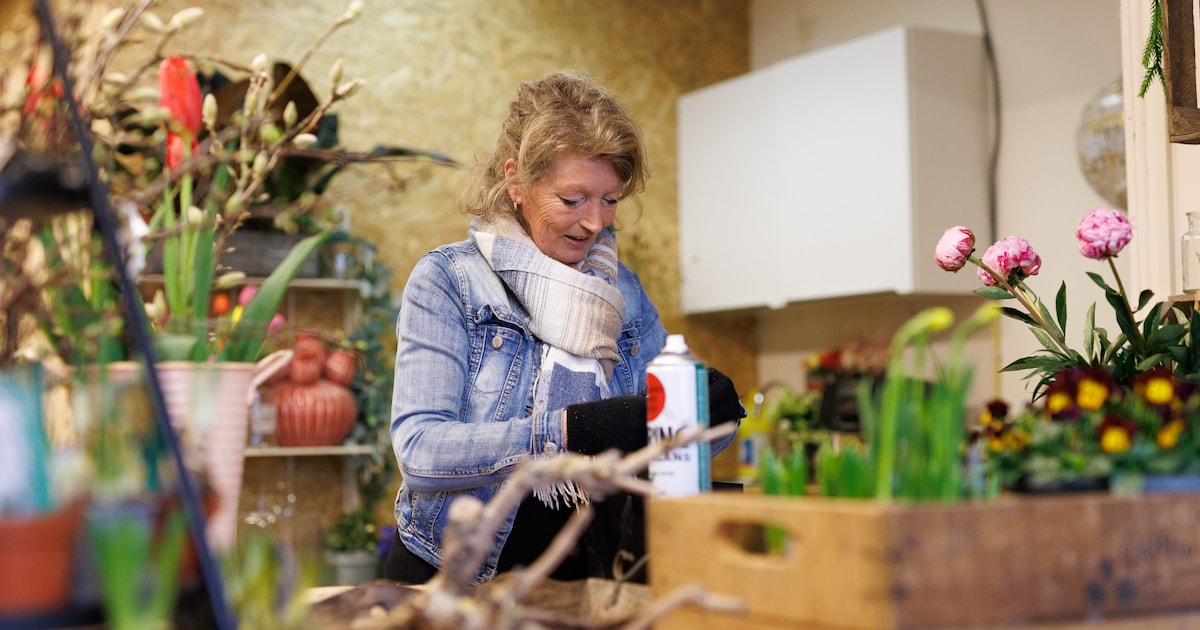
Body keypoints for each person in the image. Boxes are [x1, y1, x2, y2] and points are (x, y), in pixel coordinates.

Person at [383, 70, 745, 586]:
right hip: (457, 577)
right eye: (573, 200)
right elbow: (422, 451)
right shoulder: (450, 281)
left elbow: (658, 444)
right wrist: (574, 430)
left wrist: (706, 416)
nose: (595, 222)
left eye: (610, 199)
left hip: (588, 577)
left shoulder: (623, 291)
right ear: (516, 182)